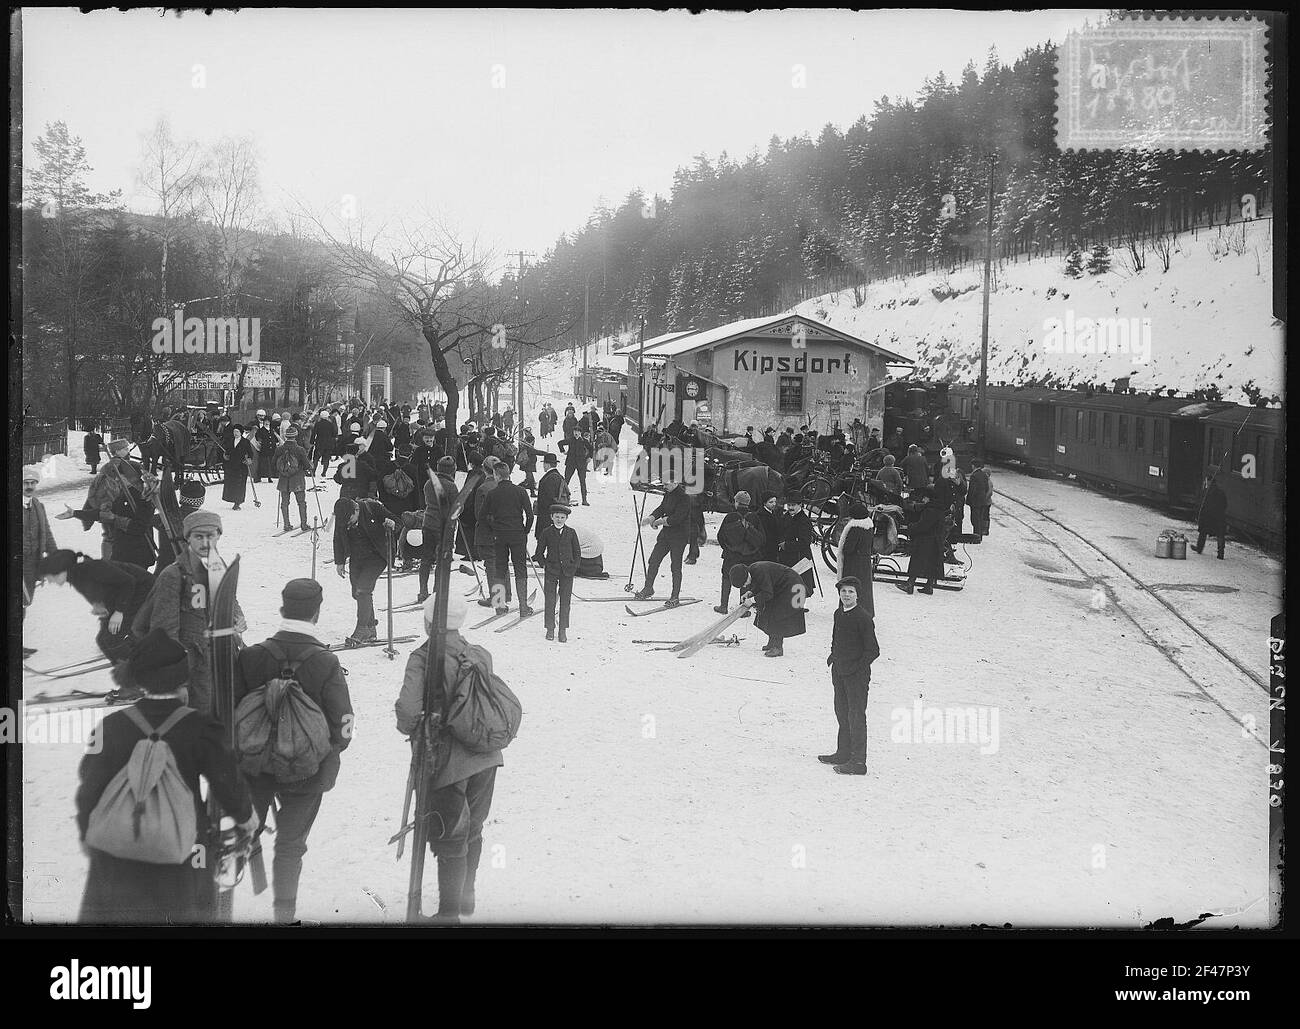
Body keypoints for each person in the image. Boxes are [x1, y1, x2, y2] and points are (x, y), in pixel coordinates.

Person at [75, 628, 258, 923]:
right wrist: (246, 817)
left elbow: (89, 788)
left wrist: (87, 831)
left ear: (140, 680)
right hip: (181, 854)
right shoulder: (200, 727)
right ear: (182, 682)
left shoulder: (111, 727)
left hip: (116, 854)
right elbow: (227, 781)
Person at [234, 578, 353, 924]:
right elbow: (344, 722)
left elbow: (232, 711)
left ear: (282, 609)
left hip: (255, 769)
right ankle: (285, 918)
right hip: (308, 771)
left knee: (240, 837)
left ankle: (216, 903)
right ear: (316, 613)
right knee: (290, 847)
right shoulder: (326, 662)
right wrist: (327, 750)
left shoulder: (252, 655)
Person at [395, 593, 505, 922]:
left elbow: (407, 714)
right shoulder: (477, 654)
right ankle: (465, 896)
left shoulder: (423, 657)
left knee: (450, 838)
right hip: (485, 756)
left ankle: (448, 914)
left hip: (446, 762)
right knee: (473, 829)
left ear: (429, 620)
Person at [135, 509, 247, 713]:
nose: (205, 543)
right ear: (188, 538)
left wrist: (237, 616)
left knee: (232, 710)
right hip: (195, 664)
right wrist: (178, 682)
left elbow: (228, 598)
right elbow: (164, 633)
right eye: (198, 537)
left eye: (211, 536)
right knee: (202, 716)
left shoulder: (217, 564)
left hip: (225, 654)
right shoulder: (173, 575)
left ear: (219, 536)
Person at [821, 576, 880, 776]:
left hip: (856, 676)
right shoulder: (839, 613)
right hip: (839, 671)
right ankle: (843, 753)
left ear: (857, 595)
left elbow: (873, 650)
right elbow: (836, 638)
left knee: (856, 716)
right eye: (844, 591)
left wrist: (856, 668)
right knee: (842, 712)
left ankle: (858, 762)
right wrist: (833, 656)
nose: (846, 595)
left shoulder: (863, 617)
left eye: (851, 592)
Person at [333, 496, 398, 645]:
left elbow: (398, 521)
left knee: (363, 589)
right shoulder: (343, 513)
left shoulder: (372, 508)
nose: (348, 524)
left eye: (351, 520)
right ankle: (370, 630)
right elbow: (338, 537)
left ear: (356, 510)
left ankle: (362, 628)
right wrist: (340, 561)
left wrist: (392, 523)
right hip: (357, 556)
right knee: (357, 592)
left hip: (377, 555)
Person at [483, 460, 535, 617]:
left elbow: (483, 516)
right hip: (518, 534)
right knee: (520, 568)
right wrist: (524, 531)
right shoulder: (520, 491)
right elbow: (530, 515)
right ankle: (523, 607)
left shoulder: (492, 494)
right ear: (508, 475)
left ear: (496, 475)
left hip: (500, 535)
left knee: (500, 568)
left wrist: (494, 529)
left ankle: (499, 606)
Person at [729, 560, 808, 658]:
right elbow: (762, 585)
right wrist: (750, 593)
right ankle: (772, 642)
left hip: (793, 587)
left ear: (745, 577)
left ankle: (777, 647)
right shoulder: (753, 570)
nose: (745, 586)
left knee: (778, 615)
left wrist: (752, 600)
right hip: (782, 587)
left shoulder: (759, 571)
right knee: (769, 612)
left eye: (744, 584)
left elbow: (767, 593)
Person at [633, 478, 691, 605]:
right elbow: (662, 508)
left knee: (675, 566)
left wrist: (660, 522)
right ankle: (648, 588)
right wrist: (651, 518)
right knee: (653, 560)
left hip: (679, 536)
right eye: (663, 484)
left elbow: (677, 518)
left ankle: (675, 596)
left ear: (675, 483)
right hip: (666, 535)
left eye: (667, 484)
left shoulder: (684, 497)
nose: (665, 487)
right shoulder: (668, 493)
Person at [534, 503, 580, 642]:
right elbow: (539, 553)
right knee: (550, 600)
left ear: (566, 518)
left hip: (567, 572)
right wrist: (545, 565)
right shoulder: (546, 532)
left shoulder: (571, 533)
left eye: (562, 517)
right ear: (552, 517)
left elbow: (577, 552)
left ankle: (562, 630)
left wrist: (573, 567)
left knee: (565, 602)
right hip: (551, 571)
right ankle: (550, 629)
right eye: (557, 517)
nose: (559, 519)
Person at [714, 490, 764, 613]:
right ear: (748, 504)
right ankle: (743, 609)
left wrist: (727, 549)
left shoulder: (730, 517)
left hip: (731, 556)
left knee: (726, 577)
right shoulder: (754, 517)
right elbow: (762, 538)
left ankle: (723, 606)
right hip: (749, 556)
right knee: (745, 580)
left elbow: (720, 536)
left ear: (736, 502)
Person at [22, 464, 57, 628]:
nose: (29, 487)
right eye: (25, 483)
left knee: (25, 601)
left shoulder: (37, 505)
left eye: (32, 483)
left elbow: (46, 532)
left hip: (33, 562)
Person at [896, 488, 946, 595]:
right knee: (932, 563)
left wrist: (909, 527)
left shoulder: (930, 510)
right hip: (936, 541)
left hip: (925, 540)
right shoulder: (938, 508)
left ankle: (909, 584)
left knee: (917, 562)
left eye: (925, 497)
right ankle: (929, 586)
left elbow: (923, 526)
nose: (923, 500)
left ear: (929, 498)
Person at [155, 480, 206, 576]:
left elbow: (148, 522)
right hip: (190, 570)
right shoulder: (202, 520)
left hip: (164, 567)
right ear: (201, 501)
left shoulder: (165, 516)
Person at [835, 502, 876, 614]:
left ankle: (848, 609)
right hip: (865, 561)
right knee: (864, 587)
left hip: (853, 563)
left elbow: (848, 548)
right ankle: (867, 610)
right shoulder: (869, 525)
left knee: (850, 585)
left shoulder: (855, 527)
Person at [108, 488, 157, 571]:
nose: (117, 479)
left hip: (136, 554)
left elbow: (139, 526)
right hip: (121, 552)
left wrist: (113, 518)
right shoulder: (123, 493)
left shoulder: (142, 495)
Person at [275, 425, 311, 531]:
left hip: (283, 479)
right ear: (295, 436)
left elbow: (274, 463)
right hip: (297, 479)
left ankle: (286, 524)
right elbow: (306, 465)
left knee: (285, 502)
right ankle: (304, 524)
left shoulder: (280, 449)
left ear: (286, 436)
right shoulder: (300, 449)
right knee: (301, 502)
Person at [779, 496, 816, 597]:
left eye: (793, 505)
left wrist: (786, 545)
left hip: (799, 557)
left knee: (799, 585)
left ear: (800, 505)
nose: (790, 507)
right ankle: (791, 608)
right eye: (789, 505)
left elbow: (805, 542)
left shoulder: (803, 520)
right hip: (787, 556)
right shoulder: (786, 516)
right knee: (788, 585)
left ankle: (798, 609)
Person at [1193, 469, 1228, 559]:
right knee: (1220, 535)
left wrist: (1198, 515)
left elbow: (1201, 504)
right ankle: (1221, 553)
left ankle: (1199, 548)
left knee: (1202, 533)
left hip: (1207, 516)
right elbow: (1225, 504)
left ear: (1208, 482)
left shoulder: (1205, 493)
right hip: (1219, 516)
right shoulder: (1221, 492)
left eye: (1206, 481)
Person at [535, 453, 568, 543]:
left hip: (546, 513)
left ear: (547, 464)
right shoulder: (558, 476)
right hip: (554, 511)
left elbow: (549, 497)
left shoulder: (550, 477)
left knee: (544, 537)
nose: (543, 466)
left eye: (544, 464)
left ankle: (540, 555)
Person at [221, 424, 254, 510]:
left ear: (241, 432)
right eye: (234, 431)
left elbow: (250, 454)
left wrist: (249, 460)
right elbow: (227, 451)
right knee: (232, 484)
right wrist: (225, 456)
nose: (235, 433)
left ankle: (237, 502)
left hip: (241, 467)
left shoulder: (245, 442)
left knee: (240, 485)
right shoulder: (230, 440)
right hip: (231, 466)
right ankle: (232, 499)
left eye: (237, 432)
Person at [559, 432, 591, 505]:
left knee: (582, 482)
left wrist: (590, 457)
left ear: (580, 433)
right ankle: (561, 498)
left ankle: (584, 500)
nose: (576, 433)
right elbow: (560, 443)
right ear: (573, 432)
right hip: (571, 463)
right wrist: (563, 451)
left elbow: (591, 448)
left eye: (578, 432)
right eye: (575, 431)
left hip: (581, 464)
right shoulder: (570, 440)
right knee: (566, 480)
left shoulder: (584, 441)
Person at [966, 460, 992, 539]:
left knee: (975, 519)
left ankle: (976, 535)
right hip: (983, 501)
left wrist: (968, 500)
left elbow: (972, 489)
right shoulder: (984, 475)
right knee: (980, 518)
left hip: (975, 501)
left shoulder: (974, 475)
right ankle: (979, 535)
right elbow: (987, 487)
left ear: (973, 466)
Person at [756, 493, 784, 563]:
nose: (774, 504)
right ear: (764, 503)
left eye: (775, 502)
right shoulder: (760, 516)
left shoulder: (774, 513)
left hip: (774, 547)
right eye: (771, 502)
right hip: (766, 549)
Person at [310, 409, 336, 477]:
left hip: (319, 443)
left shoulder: (318, 424)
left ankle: (313, 472)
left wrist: (312, 441)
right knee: (326, 459)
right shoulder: (331, 424)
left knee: (316, 458)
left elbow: (314, 433)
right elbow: (334, 434)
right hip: (328, 444)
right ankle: (324, 473)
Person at [252, 410, 275, 483]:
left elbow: (274, 438)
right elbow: (257, 438)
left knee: (270, 464)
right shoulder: (261, 430)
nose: (267, 422)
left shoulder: (271, 430)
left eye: (268, 421)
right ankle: (258, 477)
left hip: (271, 449)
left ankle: (269, 477)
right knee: (262, 463)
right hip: (264, 449)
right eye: (265, 421)